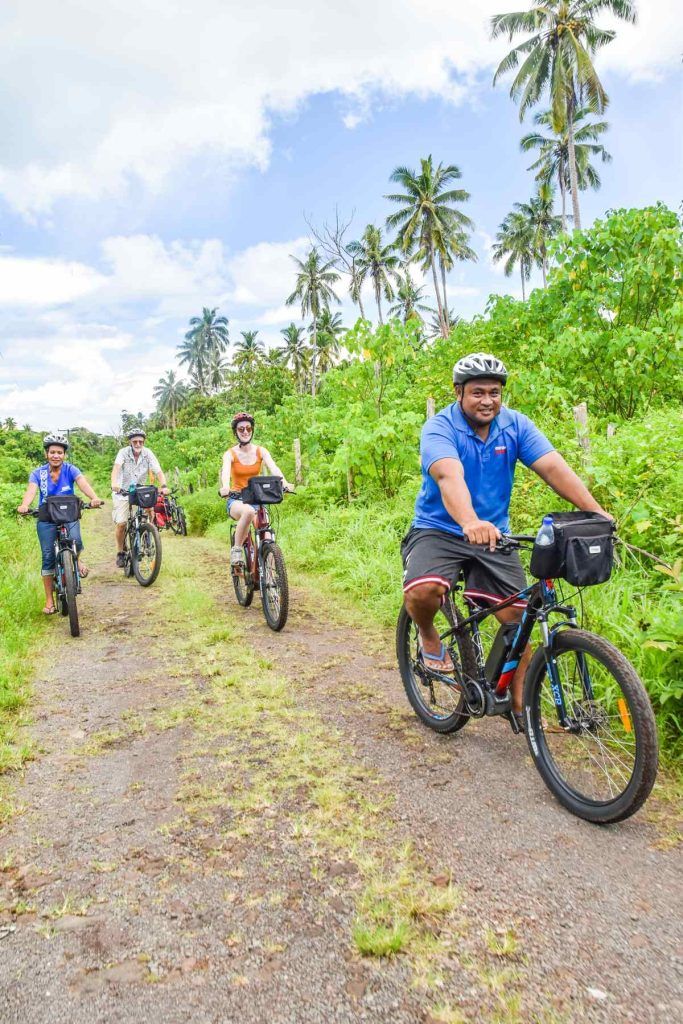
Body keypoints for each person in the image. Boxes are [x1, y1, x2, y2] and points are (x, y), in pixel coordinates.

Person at [401, 352, 611, 728]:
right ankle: (429, 636)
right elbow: (449, 476)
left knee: (519, 619)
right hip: (439, 529)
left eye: (494, 393)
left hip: (493, 533)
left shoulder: (515, 426)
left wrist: (597, 513)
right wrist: (469, 520)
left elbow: (552, 467)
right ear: (458, 392)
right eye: (477, 392)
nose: (487, 401)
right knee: (423, 590)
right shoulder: (439, 428)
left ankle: (522, 707)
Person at [17, 433, 104, 614]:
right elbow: (31, 491)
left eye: (59, 452)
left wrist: (94, 497)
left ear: (64, 455)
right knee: (48, 556)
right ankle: (49, 600)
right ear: (46, 454)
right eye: (52, 452)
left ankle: (77, 560)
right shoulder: (38, 473)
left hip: (68, 513)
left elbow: (83, 484)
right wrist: (25, 505)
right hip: (47, 516)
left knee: (76, 541)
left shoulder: (71, 469)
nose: (56, 456)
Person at [219, 412, 292, 565]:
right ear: (235, 432)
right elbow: (225, 472)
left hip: (257, 499)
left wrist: (284, 483)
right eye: (241, 429)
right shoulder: (230, 454)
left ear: (252, 430)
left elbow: (274, 468)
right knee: (248, 512)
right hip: (237, 500)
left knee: (267, 533)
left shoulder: (261, 451)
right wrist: (225, 487)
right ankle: (237, 550)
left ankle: (271, 570)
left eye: (248, 428)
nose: (245, 432)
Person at [111, 428, 169, 567]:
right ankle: (120, 552)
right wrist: (114, 484)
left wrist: (164, 486)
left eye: (140, 441)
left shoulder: (148, 453)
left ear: (144, 442)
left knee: (150, 511)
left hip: (140, 490)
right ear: (130, 442)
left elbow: (158, 471)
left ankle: (149, 532)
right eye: (135, 441)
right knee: (122, 523)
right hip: (123, 491)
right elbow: (116, 469)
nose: (138, 444)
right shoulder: (123, 452)